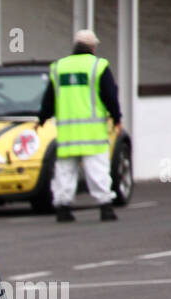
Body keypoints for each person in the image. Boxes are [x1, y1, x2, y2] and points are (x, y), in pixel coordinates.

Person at [38, 28, 122, 222]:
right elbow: (110, 95)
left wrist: (42, 118)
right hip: (93, 134)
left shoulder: (59, 67)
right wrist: (117, 117)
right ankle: (105, 207)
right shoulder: (98, 66)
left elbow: (49, 98)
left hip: (67, 134)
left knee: (65, 172)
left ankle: (63, 208)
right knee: (98, 171)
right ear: (92, 47)